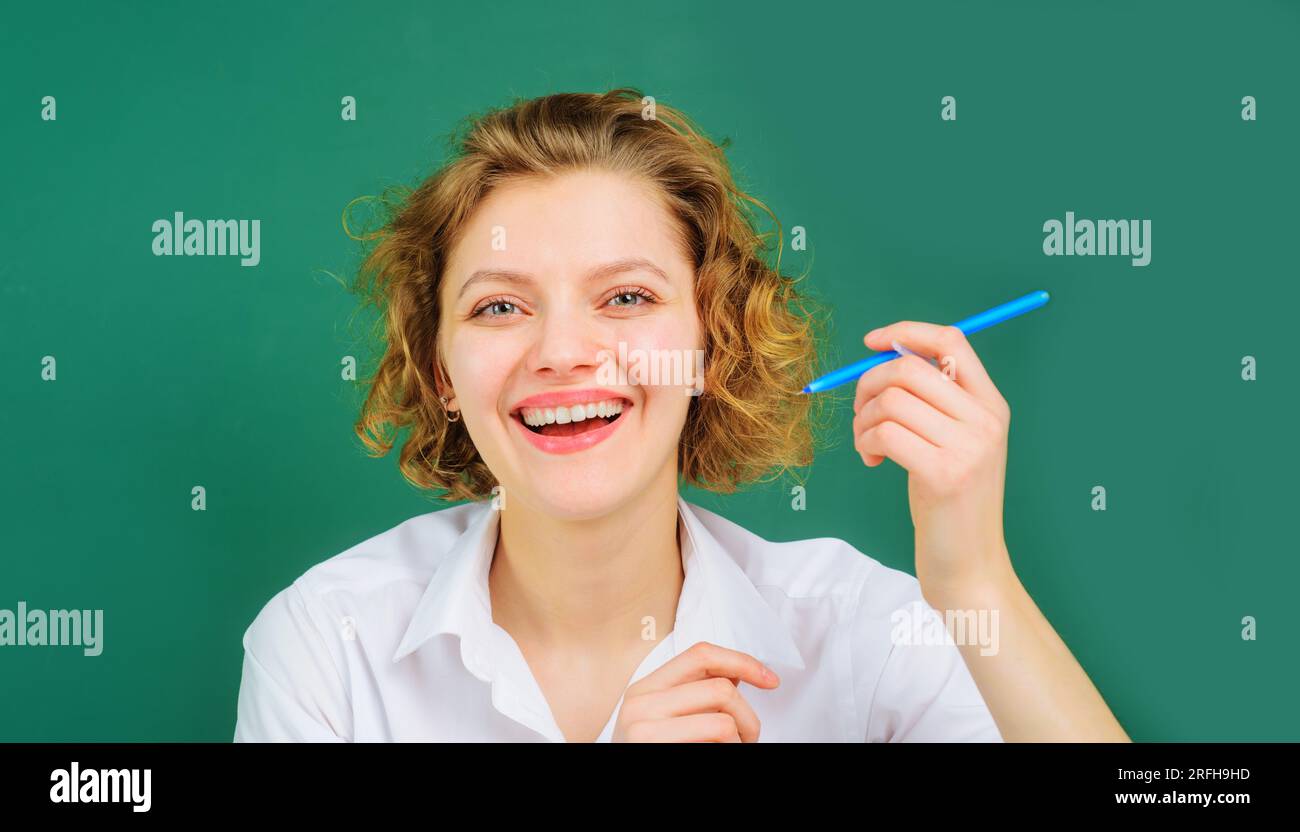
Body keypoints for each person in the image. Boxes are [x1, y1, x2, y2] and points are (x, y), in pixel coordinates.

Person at [233, 88, 1128, 742]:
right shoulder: (325, 647)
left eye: (625, 296)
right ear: (441, 372)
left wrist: (974, 580)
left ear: (711, 343)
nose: (562, 351)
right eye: (499, 308)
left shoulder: (864, 635)